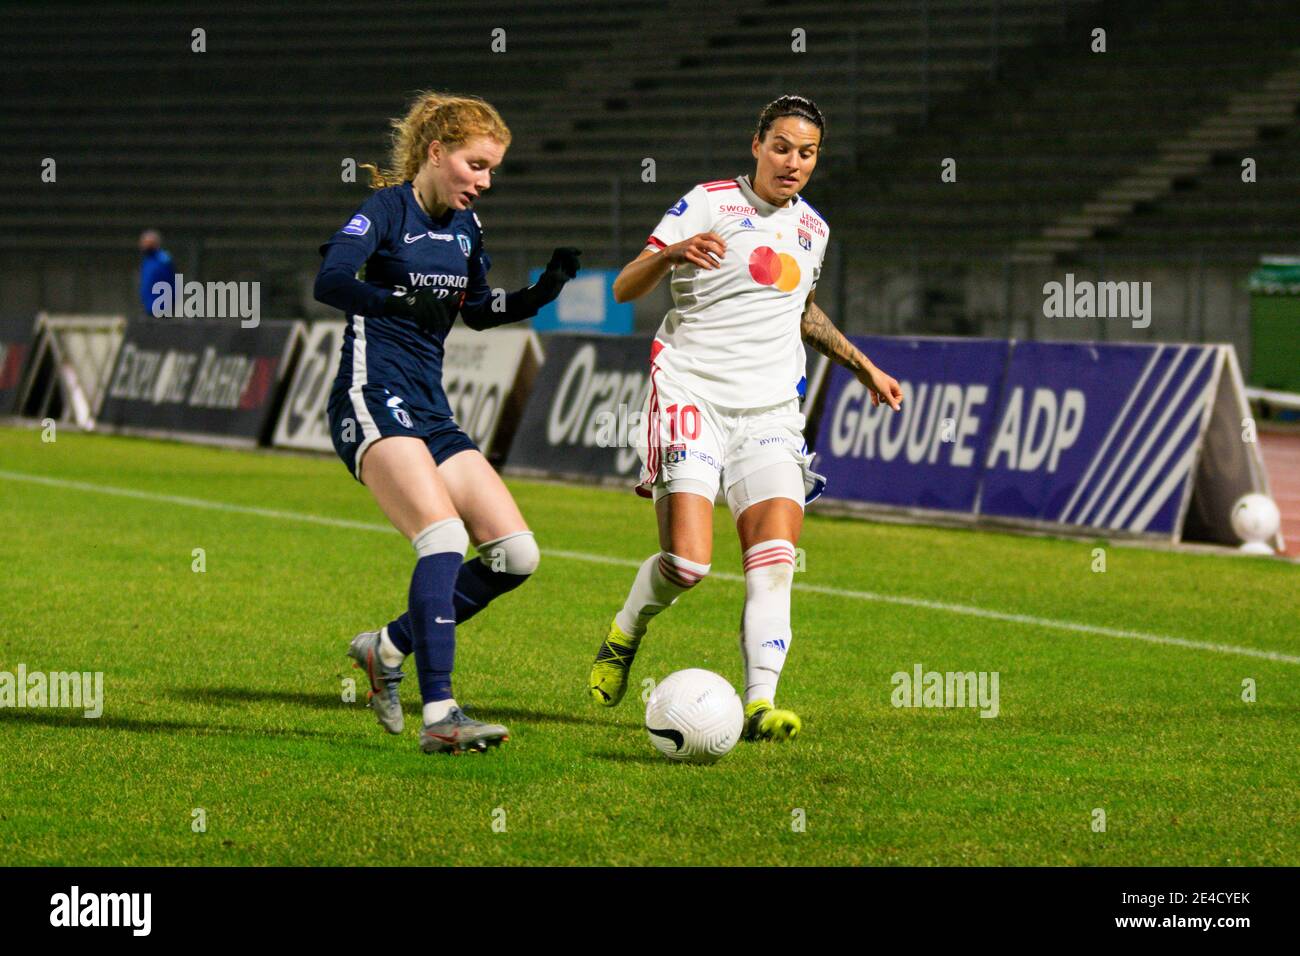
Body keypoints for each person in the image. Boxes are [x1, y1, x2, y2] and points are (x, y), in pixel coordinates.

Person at [587, 95, 903, 741]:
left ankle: (761, 703)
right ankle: (626, 632)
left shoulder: (813, 229)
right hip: (691, 396)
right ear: (756, 145)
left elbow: (803, 314)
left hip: (770, 412)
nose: (793, 162)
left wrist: (864, 366)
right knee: (689, 566)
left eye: (807, 152)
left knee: (775, 560)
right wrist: (671, 255)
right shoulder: (706, 201)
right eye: (782, 147)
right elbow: (624, 286)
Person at [314, 91, 581, 754]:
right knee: (443, 538)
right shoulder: (386, 210)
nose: (485, 181)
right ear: (436, 152)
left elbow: (481, 310)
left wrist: (540, 294)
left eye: (493, 170)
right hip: (371, 396)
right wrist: (391, 296)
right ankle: (442, 714)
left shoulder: (467, 230)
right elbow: (331, 280)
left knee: (516, 556)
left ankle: (387, 647)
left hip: (430, 410)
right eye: (477, 164)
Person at [138, 229, 176, 317]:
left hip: (161, 307)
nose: (144, 245)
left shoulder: (163, 260)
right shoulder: (147, 261)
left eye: (147, 243)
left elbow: (170, 283)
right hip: (149, 305)